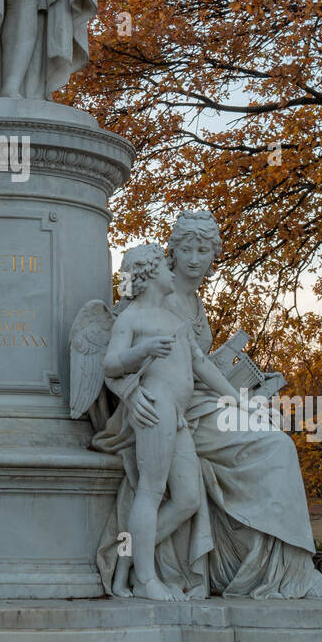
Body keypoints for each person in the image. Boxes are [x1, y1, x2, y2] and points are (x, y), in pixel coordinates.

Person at [119, 210, 322, 600]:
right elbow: (120, 353)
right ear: (171, 253)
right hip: (182, 412)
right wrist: (130, 394)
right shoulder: (154, 295)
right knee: (276, 448)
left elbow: (196, 363)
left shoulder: (193, 301)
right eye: (186, 249)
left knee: (276, 437)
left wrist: (242, 398)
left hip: (205, 402)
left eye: (203, 250)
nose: (195, 259)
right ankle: (288, 573)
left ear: (213, 255)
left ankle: (290, 570)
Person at [102, 244, 244, 600]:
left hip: (176, 417)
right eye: (166, 268)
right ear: (150, 276)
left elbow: (201, 365)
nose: (172, 272)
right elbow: (110, 365)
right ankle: (147, 579)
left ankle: (128, 564)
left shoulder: (172, 319)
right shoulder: (132, 317)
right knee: (150, 491)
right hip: (155, 409)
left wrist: (235, 398)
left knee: (187, 500)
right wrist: (143, 351)